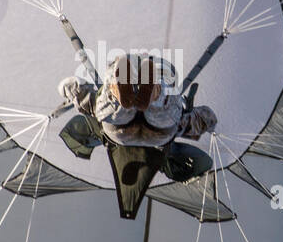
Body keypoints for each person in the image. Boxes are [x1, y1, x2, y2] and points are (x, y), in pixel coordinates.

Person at [58, 52, 217, 184]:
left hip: (155, 135)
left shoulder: (166, 156)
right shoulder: (165, 161)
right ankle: (126, 96)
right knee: (107, 107)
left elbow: (206, 119)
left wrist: (207, 123)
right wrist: (74, 88)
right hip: (121, 133)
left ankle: (149, 95)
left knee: (165, 107)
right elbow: (70, 88)